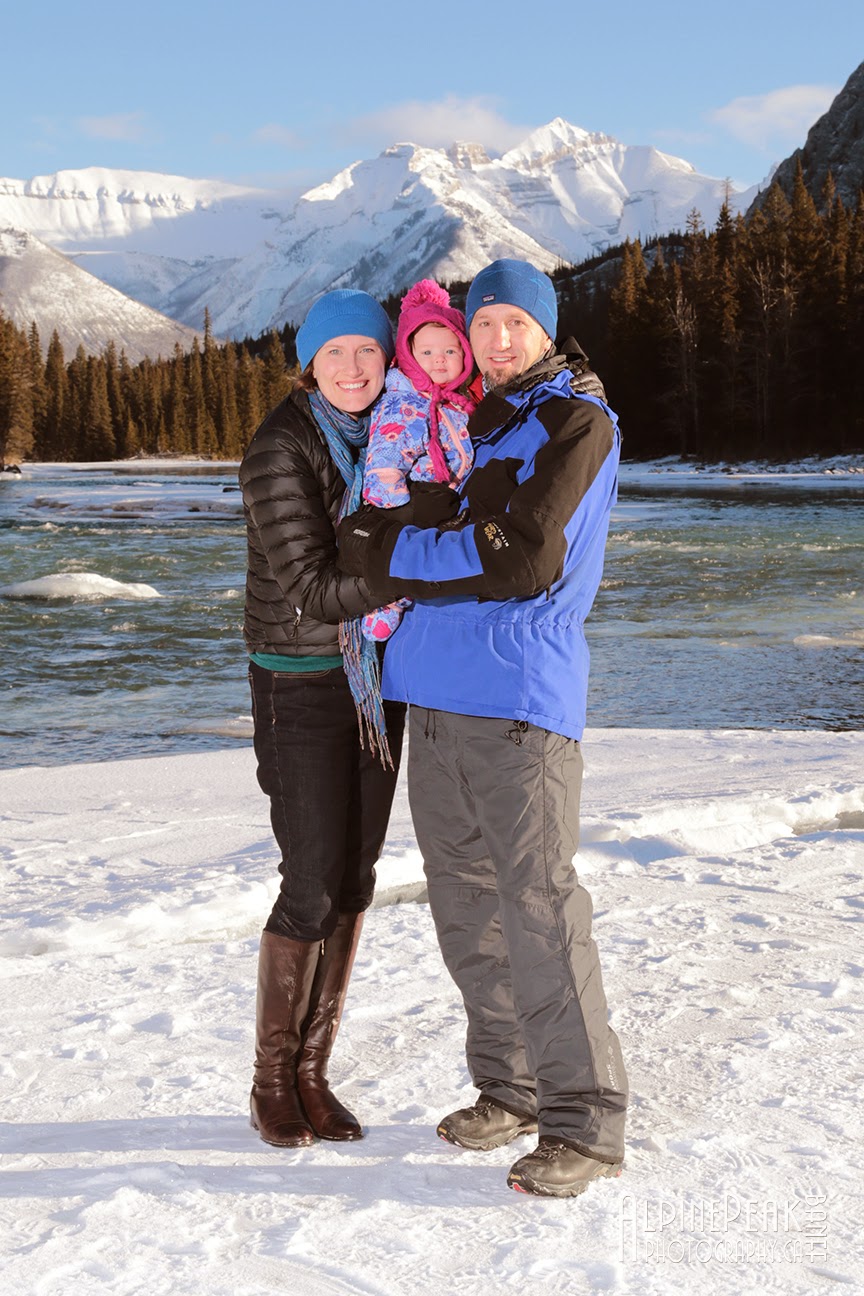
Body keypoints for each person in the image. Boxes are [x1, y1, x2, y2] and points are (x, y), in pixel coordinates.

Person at [336, 258, 628, 1197]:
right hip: (436, 694)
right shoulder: (477, 417)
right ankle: (510, 1088)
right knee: (465, 906)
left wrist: (389, 551)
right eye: (485, 324)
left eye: (515, 324)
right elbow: (453, 529)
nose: (498, 341)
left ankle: (584, 1122)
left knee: (538, 906)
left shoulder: (576, 420)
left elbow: (521, 557)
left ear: (544, 330)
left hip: (519, 702)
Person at [239, 289, 408, 1150]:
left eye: (368, 353)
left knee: (356, 878)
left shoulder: (396, 435)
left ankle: (314, 1071)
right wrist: (415, 575)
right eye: (335, 353)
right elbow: (309, 587)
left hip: (376, 684)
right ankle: (272, 1081)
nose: (353, 369)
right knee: (309, 879)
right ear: (310, 363)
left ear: (387, 361)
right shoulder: (280, 446)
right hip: (301, 679)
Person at [360, 279, 475, 643]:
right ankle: (388, 602)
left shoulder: (458, 402)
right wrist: (404, 516)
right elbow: (383, 466)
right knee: (412, 564)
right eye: (426, 353)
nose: (438, 359)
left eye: (450, 351)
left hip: (445, 508)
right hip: (413, 509)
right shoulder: (407, 403)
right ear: (409, 356)